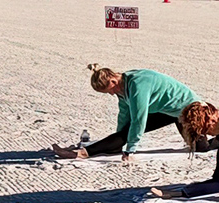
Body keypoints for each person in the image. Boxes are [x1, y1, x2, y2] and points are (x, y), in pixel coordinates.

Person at [51, 65, 205, 162]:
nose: (111, 94)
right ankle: (82, 153)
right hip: (168, 111)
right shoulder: (121, 87)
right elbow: (124, 115)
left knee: (201, 147)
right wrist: (118, 139)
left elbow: (139, 119)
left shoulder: (137, 84)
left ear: (113, 81)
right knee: (126, 130)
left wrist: (131, 148)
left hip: (189, 109)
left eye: (109, 90)